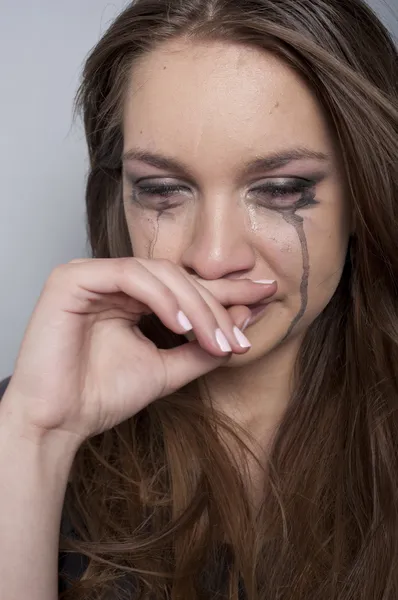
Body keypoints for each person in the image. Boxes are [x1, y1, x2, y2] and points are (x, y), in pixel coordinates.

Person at [0, 0, 397, 598]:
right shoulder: (25, 422)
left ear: (366, 188)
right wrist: (37, 438)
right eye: (162, 191)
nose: (212, 257)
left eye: (281, 190)